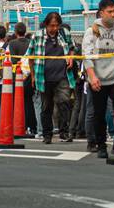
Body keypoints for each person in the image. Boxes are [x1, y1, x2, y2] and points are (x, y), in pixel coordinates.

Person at [82, 0, 114, 159]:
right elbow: (87, 56)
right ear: (102, 13)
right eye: (110, 12)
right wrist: (92, 77)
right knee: (99, 113)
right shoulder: (92, 31)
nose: (113, 14)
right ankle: (101, 145)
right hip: (98, 79)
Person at [25, 11, 76, 144]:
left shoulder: (64, 33)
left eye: (56, 25)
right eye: (52, 26)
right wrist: (33, 75)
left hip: (62, 76)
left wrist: (70, 56)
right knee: (46, 107)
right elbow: (30, 56)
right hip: (43, 77)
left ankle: (64, 132)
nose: (54, 28)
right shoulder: (37, 36)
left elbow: (72, 47)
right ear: (46, 25)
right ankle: (47, 134)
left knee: (64, 103)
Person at [6, 22, 36, 137]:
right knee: (29, 102)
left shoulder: (12, 43)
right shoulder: (30, 42)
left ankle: (20, 126)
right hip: (29, 75)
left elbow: (13, 61)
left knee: (17, 103)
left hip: (17, 77)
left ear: (15, 32)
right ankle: (32, 127)